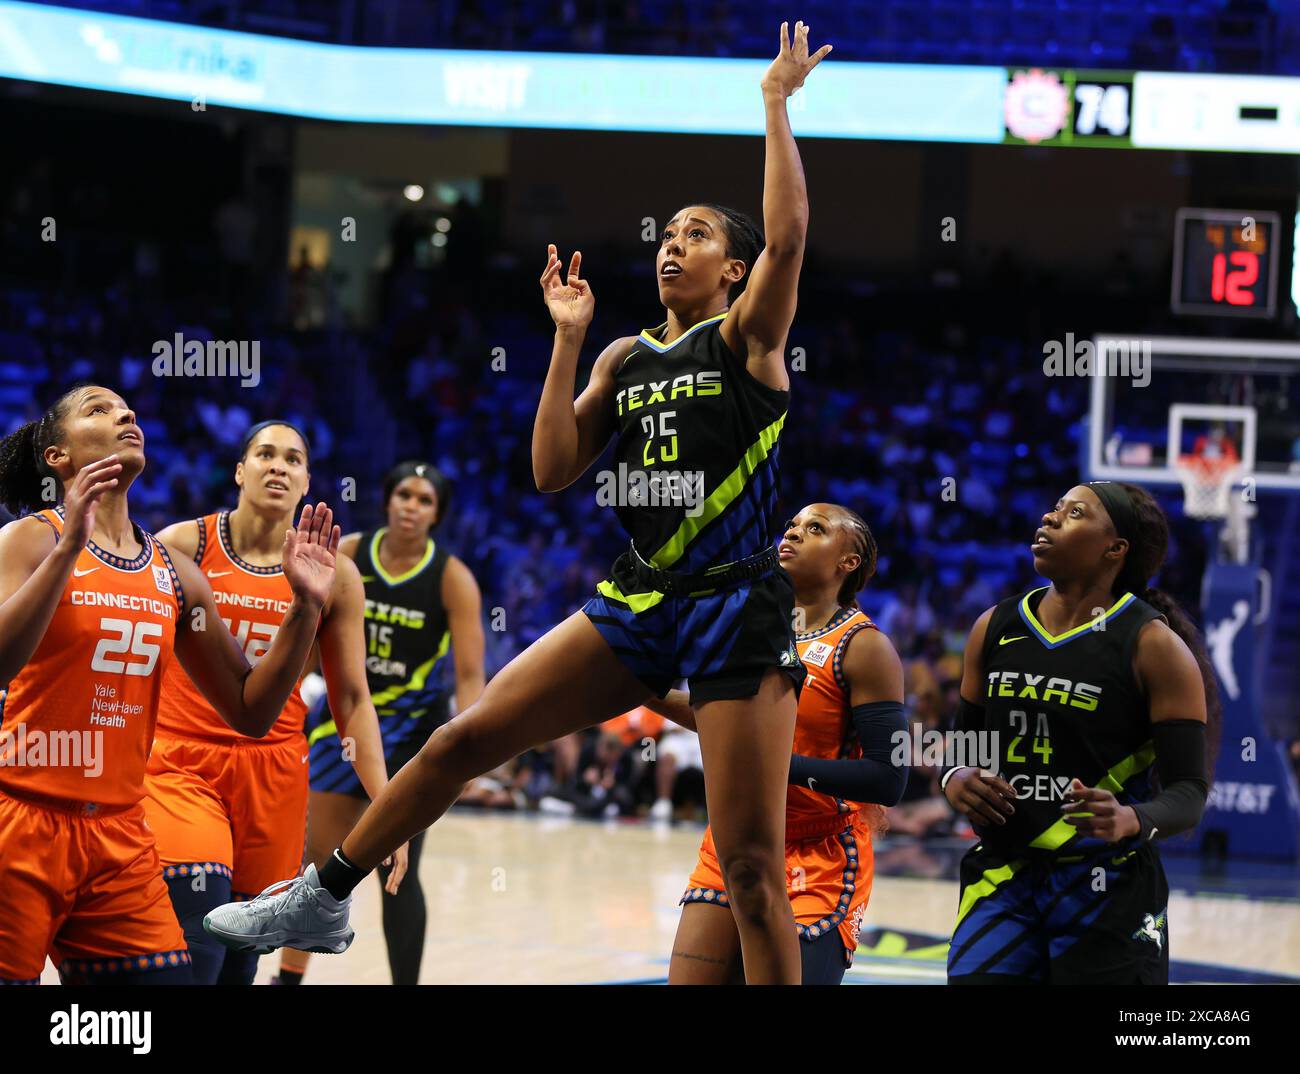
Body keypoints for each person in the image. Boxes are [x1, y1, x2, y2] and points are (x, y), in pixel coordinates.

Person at [204, 21, 833, 985]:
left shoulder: (747, 341)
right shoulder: (627, 356)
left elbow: (789, 236)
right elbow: (551, 470)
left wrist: (775, 106)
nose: (673, 247)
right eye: (666, 235)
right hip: (638, 597)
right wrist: (569, 341)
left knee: (750, 867)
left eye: (697, 235)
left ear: (736, 271)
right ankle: (324, 894)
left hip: (735, 607)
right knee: (465, 738)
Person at [0, 386, 336, 984]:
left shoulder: (173, 573)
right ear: (57, 456)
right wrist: (69, 548)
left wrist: (306, 610)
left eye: (127, 409)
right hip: (21, 822)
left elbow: (250, 711)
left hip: (121, 836)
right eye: (98, 410)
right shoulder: (30, 540)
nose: (125, 414)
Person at [142, 420, 402, 985]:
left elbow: (353, 698)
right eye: (265, 454)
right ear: (240, 470)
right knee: (202, 933)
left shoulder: (338, 576)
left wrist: (387, 805)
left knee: (241, 958)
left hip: (275, 774)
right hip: (181, 764)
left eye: (293, 459)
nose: (278, 466)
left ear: (307, 481)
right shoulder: (184, 545)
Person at [943, 482, 1220, 985]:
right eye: (1053, 509)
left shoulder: (1154, 645)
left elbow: (1189, 793)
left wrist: (1130, 818)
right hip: (1003, 875)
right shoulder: (995, 625)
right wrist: (954, 776)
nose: (1049, 519)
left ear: (1115, 549)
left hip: (1107, 885)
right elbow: (966, 743)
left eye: (1073, 514)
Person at [654, 504, 907, 984]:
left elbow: (888, 777)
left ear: (846, 563)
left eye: (815, 529)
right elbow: (722, 721)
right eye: (791, 526)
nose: (792, 534)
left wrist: (776, 765)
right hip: (733, 838)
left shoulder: (865, 647)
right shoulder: (752, 627)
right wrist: (647, 692)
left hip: (820, 852)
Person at [276, 459, 485, 985]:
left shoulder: (452, 578)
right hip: (343, 720)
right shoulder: (348, 553)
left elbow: (469, 674)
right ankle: (289, 978)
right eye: (404, 495)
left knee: (398, 869)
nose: (412, 507)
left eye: (424, 500)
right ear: (388, 500)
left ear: (436, 514)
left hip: (415, 736)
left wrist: (480, 747)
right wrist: (287, 695)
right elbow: (309, 629)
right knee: (318, 861)